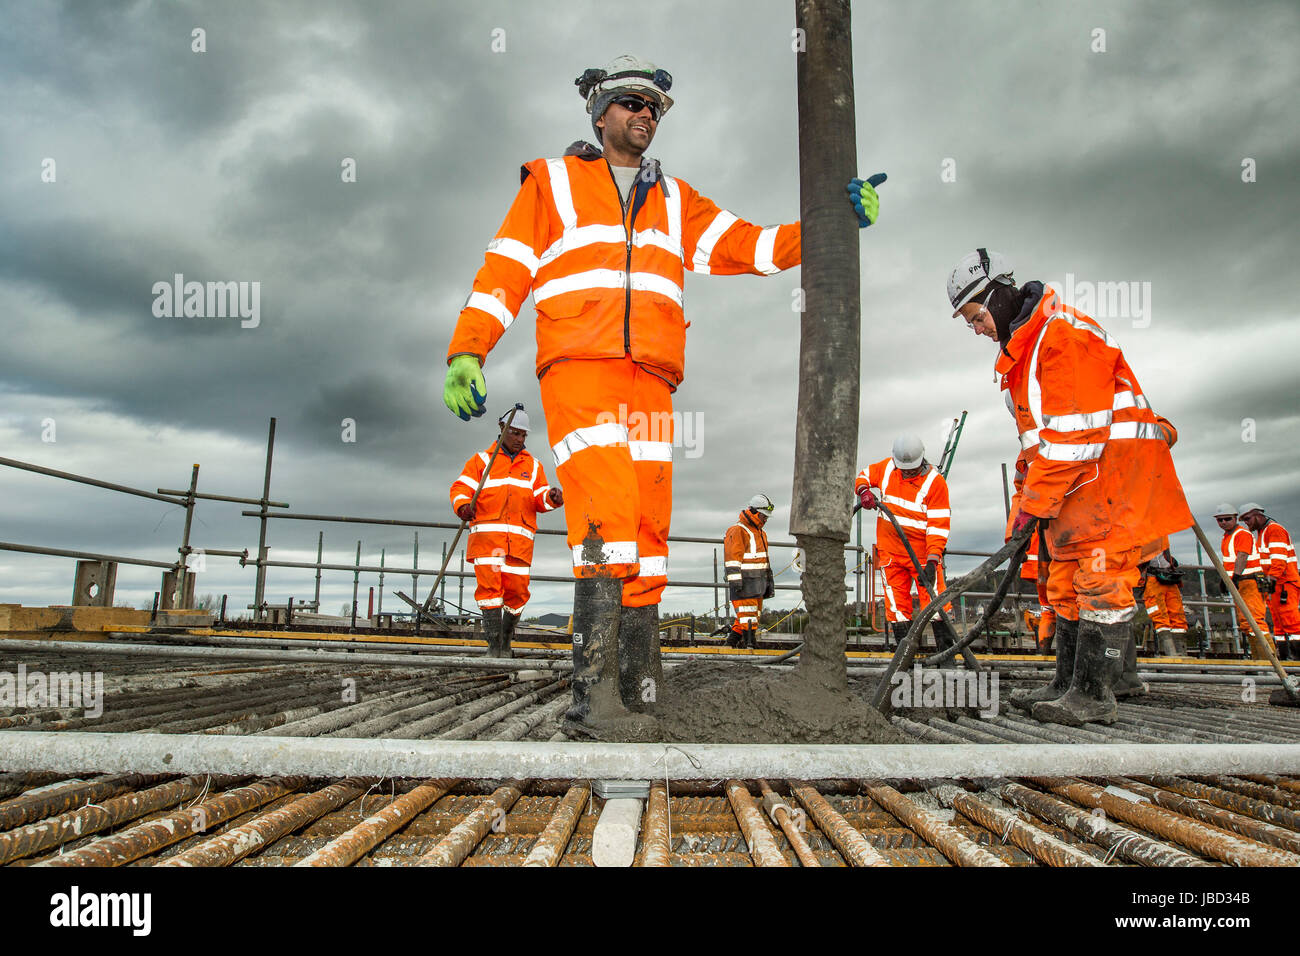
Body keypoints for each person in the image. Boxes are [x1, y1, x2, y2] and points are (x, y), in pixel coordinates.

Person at [442, 55, 884, 735]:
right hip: (580, 368)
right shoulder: (553, 185)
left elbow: (750, 246)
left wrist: (830, 222)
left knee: (647, 537)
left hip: (651, 378)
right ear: (600, 113)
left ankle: (638, 691)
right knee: (610, 518)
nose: (645, 115)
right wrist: (468, 348)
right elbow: (505, 269)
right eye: (632, 103)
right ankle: (592, 704)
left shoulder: (674, 200)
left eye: (655, 107)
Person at [949, 248, 1192, 725]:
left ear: (997, 295)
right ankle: (1068, 683)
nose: (977, 329)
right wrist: (1024, 496)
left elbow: (1073, 439)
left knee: (1101, 581)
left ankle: (1095, 694)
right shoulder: (1027, 350)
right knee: (1063, 582)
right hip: (1077, 488)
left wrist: (1031, 504)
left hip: (1110, 483)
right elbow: (1038, 444)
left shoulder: (1060, 336)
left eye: (976, 317)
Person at [449, 408, 561, 658]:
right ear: (502, 429)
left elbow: (538, 499)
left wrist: (551, 498)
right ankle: (494, 648)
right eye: (514, 433)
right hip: (488, 543)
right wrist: (462, 506)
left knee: (518, 594)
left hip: (519, 545)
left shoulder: (533, 466)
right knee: (490, 594)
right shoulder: (481, 461)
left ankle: (506, 644)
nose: (519, 439)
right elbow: (460, 488)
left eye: (523, 435)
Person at [855, 434, 956, 653]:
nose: (907, 472)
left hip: (922, 557)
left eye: (911, 468)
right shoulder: (887, 468)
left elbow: (938, 527)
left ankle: (946, 655)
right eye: (904, 468)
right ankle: (905, 658)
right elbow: (863, 475)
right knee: (897, 609)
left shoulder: (935, 483)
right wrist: (864, 491)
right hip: (891, 555)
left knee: (937, 606)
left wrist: (932, 561)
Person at [1240, 503, 1299, 660]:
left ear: (1258, 515)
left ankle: (1296, 659)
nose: (1246, 523)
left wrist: (1272, 578)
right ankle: (1285, 659)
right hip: (1275, 584)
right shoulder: (1263, 532)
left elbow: (1279, 557)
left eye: (1247, 519)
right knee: (1279, 624)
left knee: (1291, 622)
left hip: (1284, 583)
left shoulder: (1274, 530)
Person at [1213, 503, 1271, 658]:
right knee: (1247, 622)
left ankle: (1268, 659)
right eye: (1220, 520)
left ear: (1235, 518)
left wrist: (1234, 577)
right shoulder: (1228, 536)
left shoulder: (1241, 534)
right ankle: (1260, 659)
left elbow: (1242, 556)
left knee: (1255, 621)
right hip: (1241, 582)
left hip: (1249, 581)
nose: (1223, 522)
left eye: (1227, 519)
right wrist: (1227, 579)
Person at [724, 494, 776, 649]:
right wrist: (736, 582)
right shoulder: (738, 530)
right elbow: (732, 558)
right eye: (763, 516)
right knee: (747, 617)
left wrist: (767, 582)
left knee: (750, 617)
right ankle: (750, 644)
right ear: (753, 512)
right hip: (745, 583)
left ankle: (730, 645)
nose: (765, 520)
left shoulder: (760, 533)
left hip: (757, 583)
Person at [1140, 544, 1189, 657]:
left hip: (1166, 577)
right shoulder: (1143, 536)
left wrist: (1170, 561)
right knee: (1160, 616)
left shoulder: (1160, 535)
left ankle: (1179, 651)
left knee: (1176, 614)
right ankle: (1172, 652)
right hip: (1154, 577)